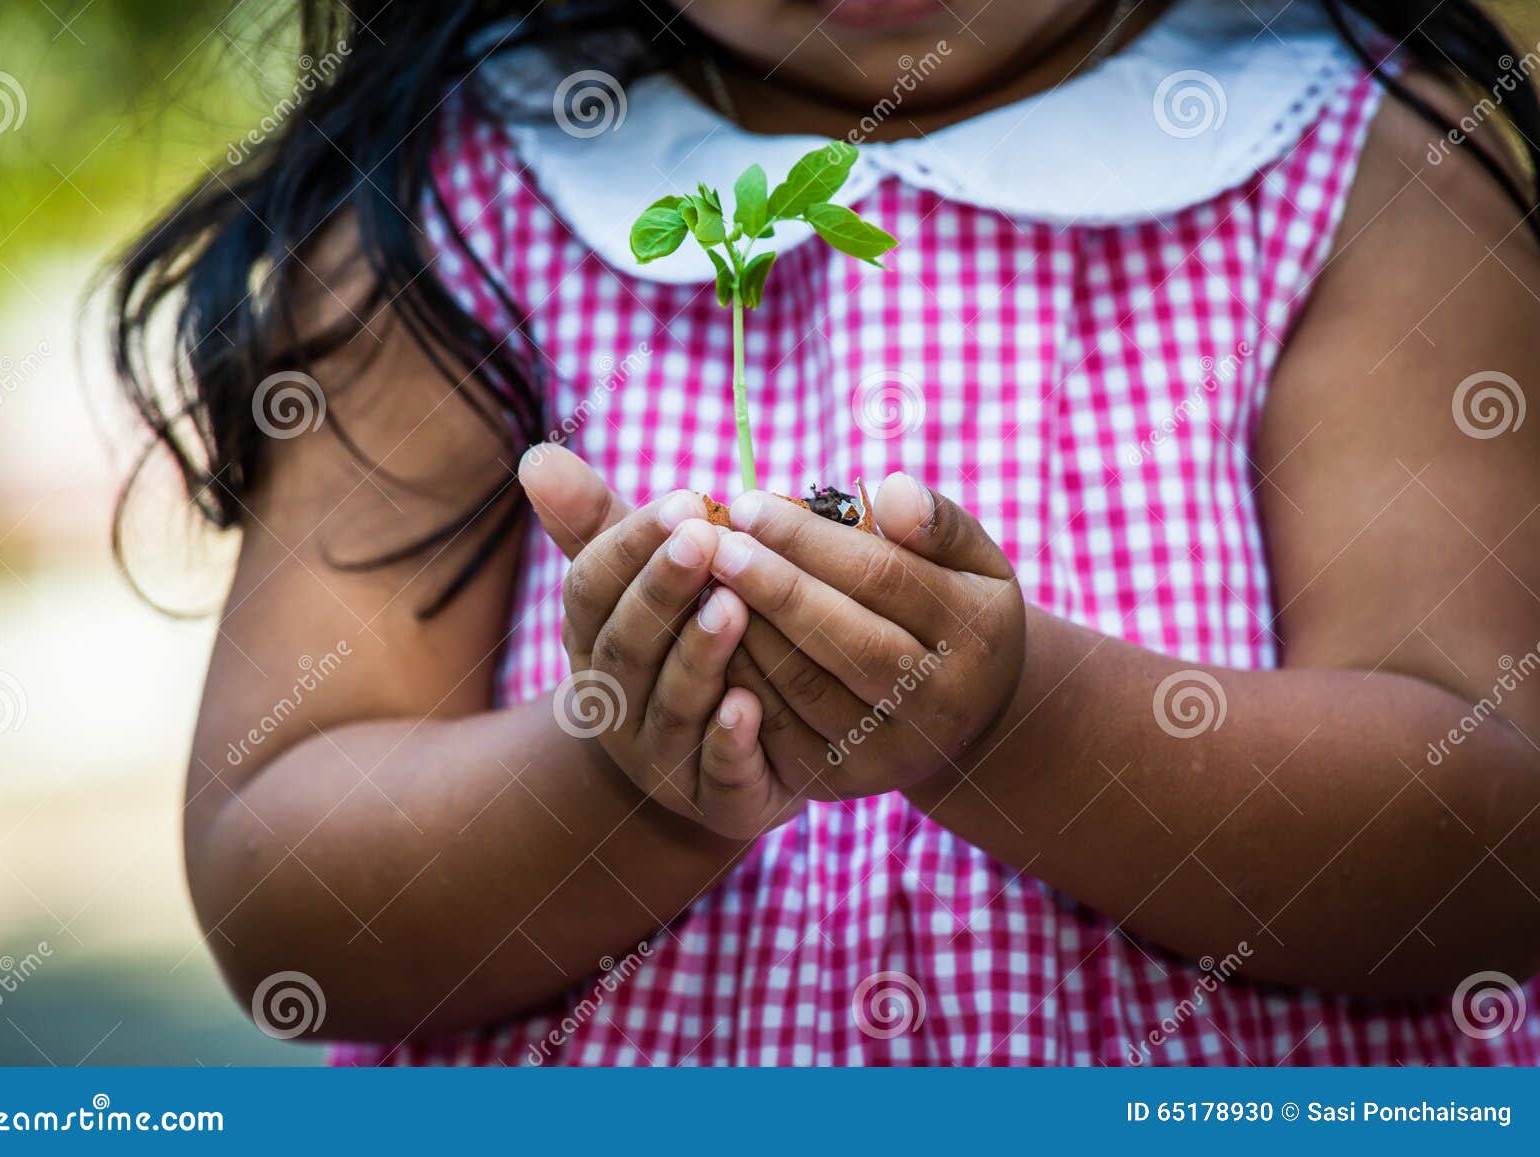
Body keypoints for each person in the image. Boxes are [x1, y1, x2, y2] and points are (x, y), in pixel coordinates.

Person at [113, 0, 1540, 1064]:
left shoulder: (1372, 163)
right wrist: (632, 772)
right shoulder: (457, 205)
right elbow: (283, 883)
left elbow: (1493, 831)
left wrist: (1012, 723)